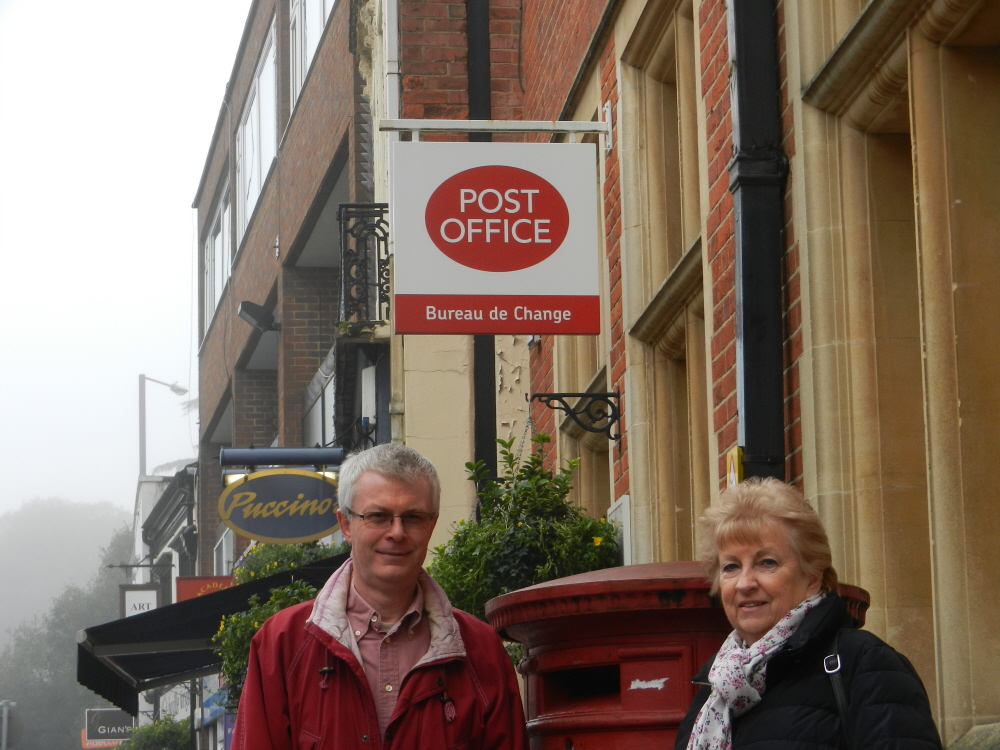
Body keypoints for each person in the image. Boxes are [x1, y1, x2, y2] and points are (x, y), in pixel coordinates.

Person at [232, 443, 528, 750]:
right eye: (378, 516)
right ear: (346, 523)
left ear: (432, 524)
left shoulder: (481, 652)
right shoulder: (282, 643)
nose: (397, 532)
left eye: (413, 517)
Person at [676, 478, 942, 750]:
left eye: (767, 563)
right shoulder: (713, 690)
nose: (744, 583)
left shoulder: (862, 664)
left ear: (812, 576)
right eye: (731, 567)